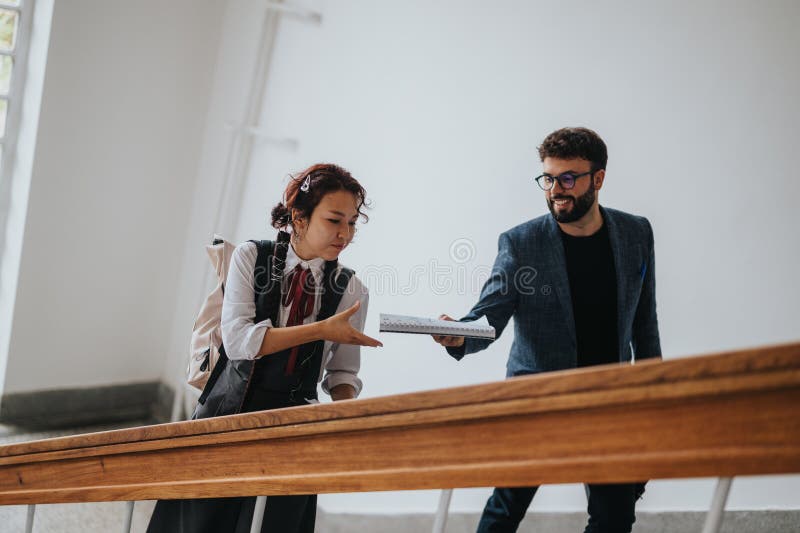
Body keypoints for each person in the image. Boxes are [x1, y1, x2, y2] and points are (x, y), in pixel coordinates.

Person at [433, 127, 661, 533]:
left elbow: (645, 325)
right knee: (506, 510)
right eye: (549, 178)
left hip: (609, 398)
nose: (556, 189)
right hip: (537, 398)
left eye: (569, 178)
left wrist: (652, 402)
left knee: (615, 517)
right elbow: (489, 315)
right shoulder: (522, 243)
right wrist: (459, 334)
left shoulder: (636, 233)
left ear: (599, 178)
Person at [148, 163, 382, 533]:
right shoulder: (250, 257)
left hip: (295, 428)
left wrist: (345, 415)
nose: (345, 234)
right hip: (228, 412)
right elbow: (240, 343)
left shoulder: (352, 289)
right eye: (335, 220)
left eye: (353, 222)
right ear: (300, 217)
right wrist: (320, 329)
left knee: (274, 524)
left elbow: (342, 373)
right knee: (200, 521)